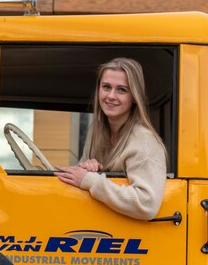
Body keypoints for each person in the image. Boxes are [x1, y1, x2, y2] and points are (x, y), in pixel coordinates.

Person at [55, 56, 167, 220]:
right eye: (106, 87)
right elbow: (80, 178)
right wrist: (88, 168)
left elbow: (147, 203)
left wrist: (92, 181)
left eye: (121, 90)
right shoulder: (97, 130)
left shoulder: (144, 141)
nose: (111, 96)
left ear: (134, 97)